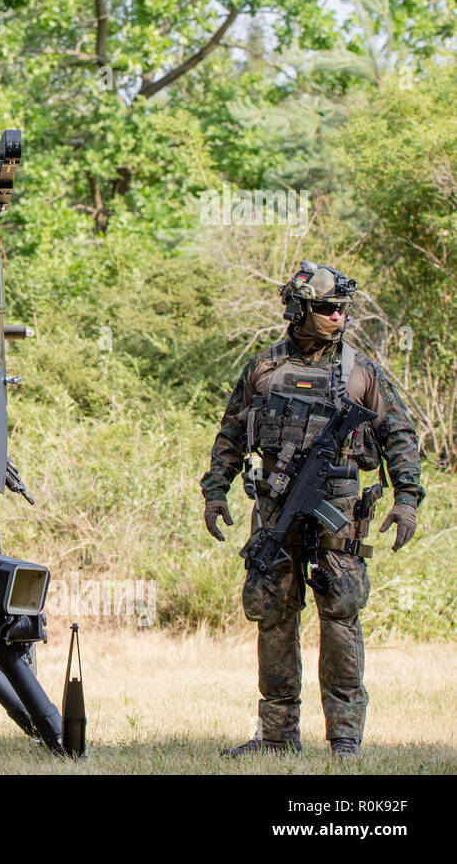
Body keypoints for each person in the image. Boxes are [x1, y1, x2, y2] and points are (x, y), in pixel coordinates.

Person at [201, 261, 424, 760]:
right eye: (326, 308)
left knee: (340, 615)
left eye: (342, 309)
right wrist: (216, 491)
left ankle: (345, 737)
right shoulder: (263, 368)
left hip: (339, 510)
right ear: (298, 309)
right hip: (275, 510)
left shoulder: (360, 372)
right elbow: (231, 433)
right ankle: (277, 735)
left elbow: (399, 437)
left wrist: (407, 500)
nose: (337, 317)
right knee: (273, 615)